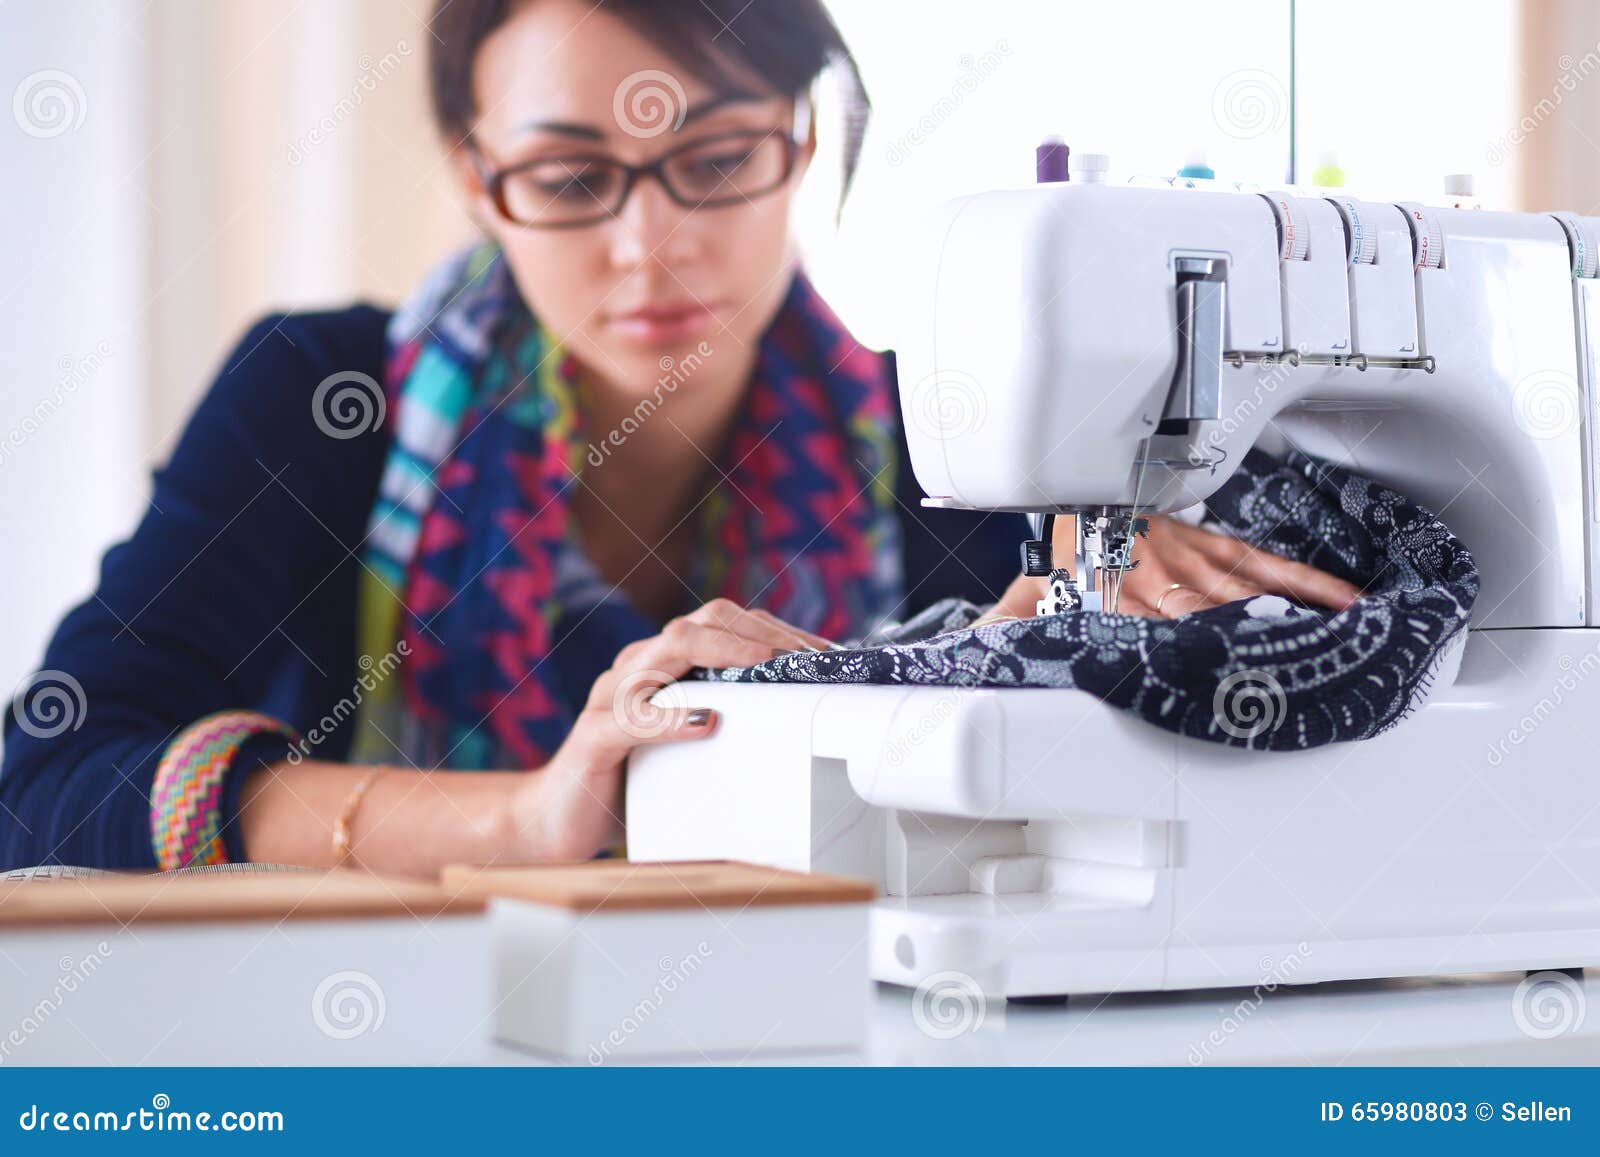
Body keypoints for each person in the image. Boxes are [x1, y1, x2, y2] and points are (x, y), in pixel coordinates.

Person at [0, 0, 1360, 878]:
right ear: (480, 182)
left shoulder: (952, 445)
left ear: (804, 138)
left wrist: (1070, 650)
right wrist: (523, 821)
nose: (650, 243)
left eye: (713, 159)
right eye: (571, 178)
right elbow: (51, 776)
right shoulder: (319, 402)